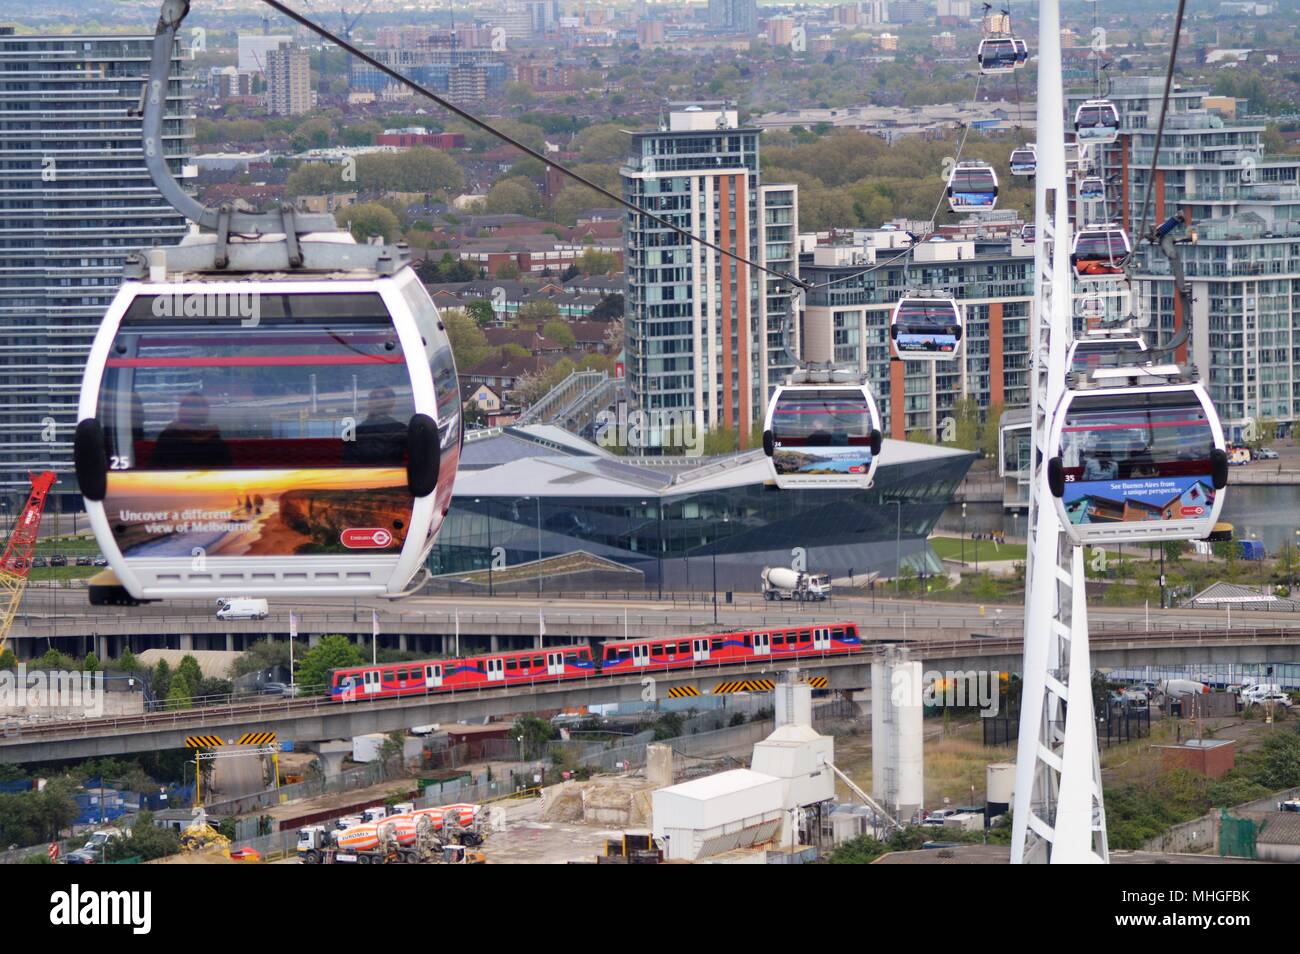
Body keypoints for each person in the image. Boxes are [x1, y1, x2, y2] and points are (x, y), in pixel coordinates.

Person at [149, 393, 232, 469]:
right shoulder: (214, 440)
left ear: (180, 411)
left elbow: (153, 470)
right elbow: (227, 471)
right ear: (205, 412)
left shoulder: (168, 437)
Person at [345, 386, 407, 465]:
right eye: (375, 398)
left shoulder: (402, 431)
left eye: (384, 398)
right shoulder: (354, 433)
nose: (379, 402)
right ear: (369, 402)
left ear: (391, 403)